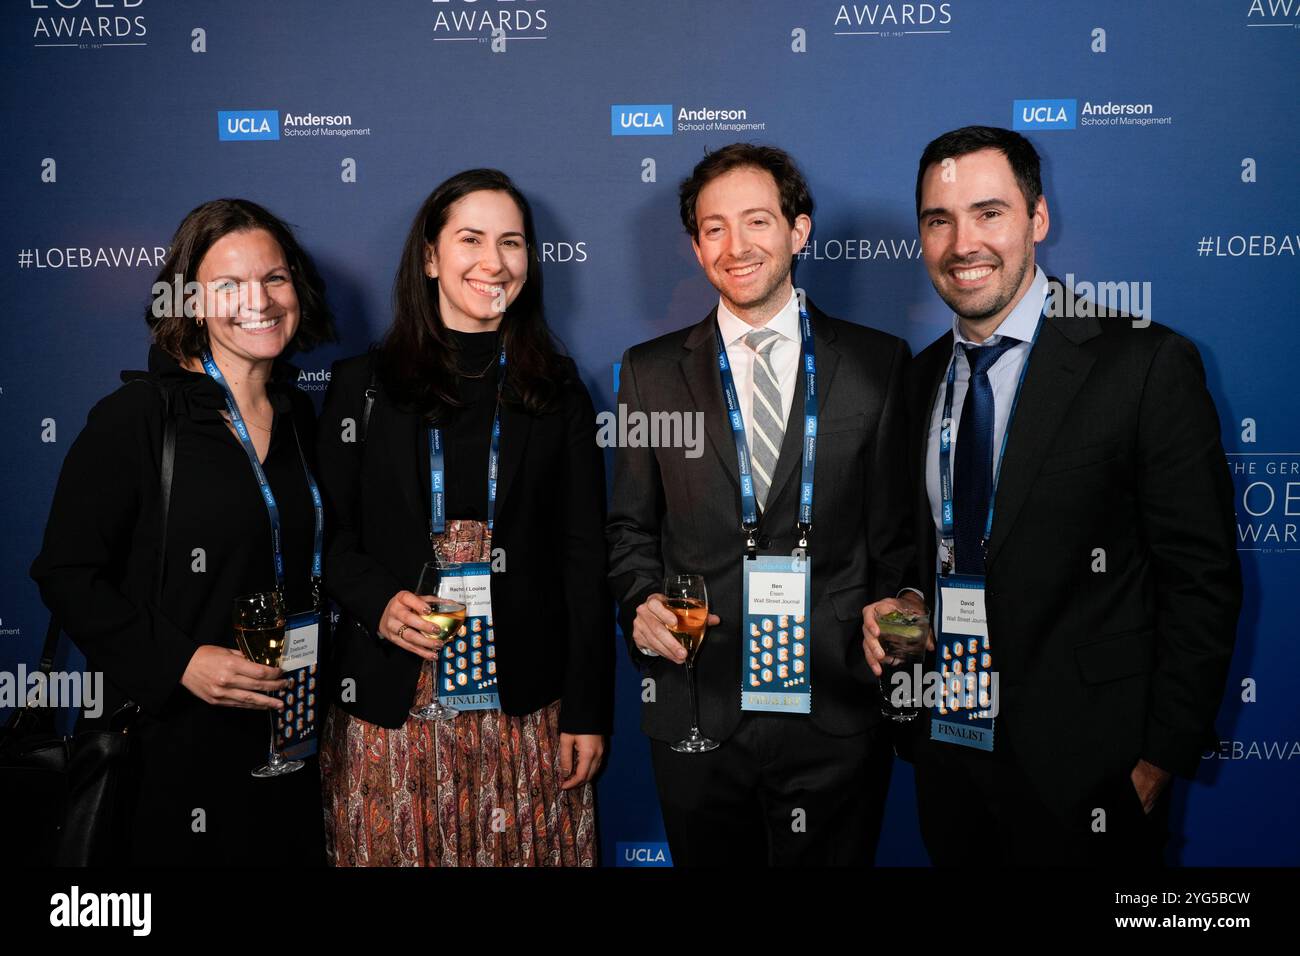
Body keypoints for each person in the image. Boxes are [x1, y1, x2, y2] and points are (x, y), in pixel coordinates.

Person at [862, 126, 1241, 865]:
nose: (962, 242)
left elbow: (1202, 581)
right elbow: (914, 553)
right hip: (949, 757)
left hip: (1092, 775)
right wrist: (900, 606)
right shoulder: (917, 379)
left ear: (1038, 219)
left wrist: (1156, 762)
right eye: (939, 220)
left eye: (989, 213)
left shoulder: (1143, 362)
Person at [606, 144, 919, 866]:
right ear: (695, 246)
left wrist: (900, 628)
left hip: (836, 708)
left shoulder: (879, 364)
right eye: (714, 228)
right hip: (696, 704)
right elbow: (628, 529)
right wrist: (641, 601)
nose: (737, 246)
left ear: (798, 230)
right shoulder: (648, 374)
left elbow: (900, 540)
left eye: (757, 221)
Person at [317, 168, 611, 867]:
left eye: (511, 242)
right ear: (429, 256)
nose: (494, 261)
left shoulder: (555, 388)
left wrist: (588, 709)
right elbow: (327, 538)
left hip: (527, 709)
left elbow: (583, 559)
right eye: (471, 239)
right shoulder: (361, 385)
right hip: (392, 700)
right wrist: (378, 601)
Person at [31, 198, 335, 865]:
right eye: (227, 285)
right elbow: (66, 573)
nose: (258, 300)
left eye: (274, 278)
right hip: (172, 743)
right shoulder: (138, 417)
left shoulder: (302, 418)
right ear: (191, 303)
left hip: (290, 737)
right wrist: (181, 663)